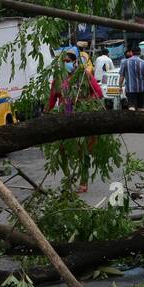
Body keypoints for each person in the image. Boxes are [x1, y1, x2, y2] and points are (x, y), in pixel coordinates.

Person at [46, 50, 103, 192]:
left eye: (67, 61)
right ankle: (69, 178)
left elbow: (98, 94)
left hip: (82, 119)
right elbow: (51, 101)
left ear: (74, 62)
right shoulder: (58, 80)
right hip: (64, 120)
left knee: (83, 151)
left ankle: (83, 182)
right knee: (61, 150)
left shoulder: (84, 76)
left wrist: (86, 102)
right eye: (63, 62)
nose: (65, 64)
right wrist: (46, 114)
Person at [119, 45, 144, 112]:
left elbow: (121, 76)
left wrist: (120, 87)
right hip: (142, 89)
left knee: (131, 107)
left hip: (130, 90)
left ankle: (132, 121)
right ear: (140, 53)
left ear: (131, 52)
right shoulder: (143, 63)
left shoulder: (124, 62)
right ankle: (141, 121)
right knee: (141, 107)